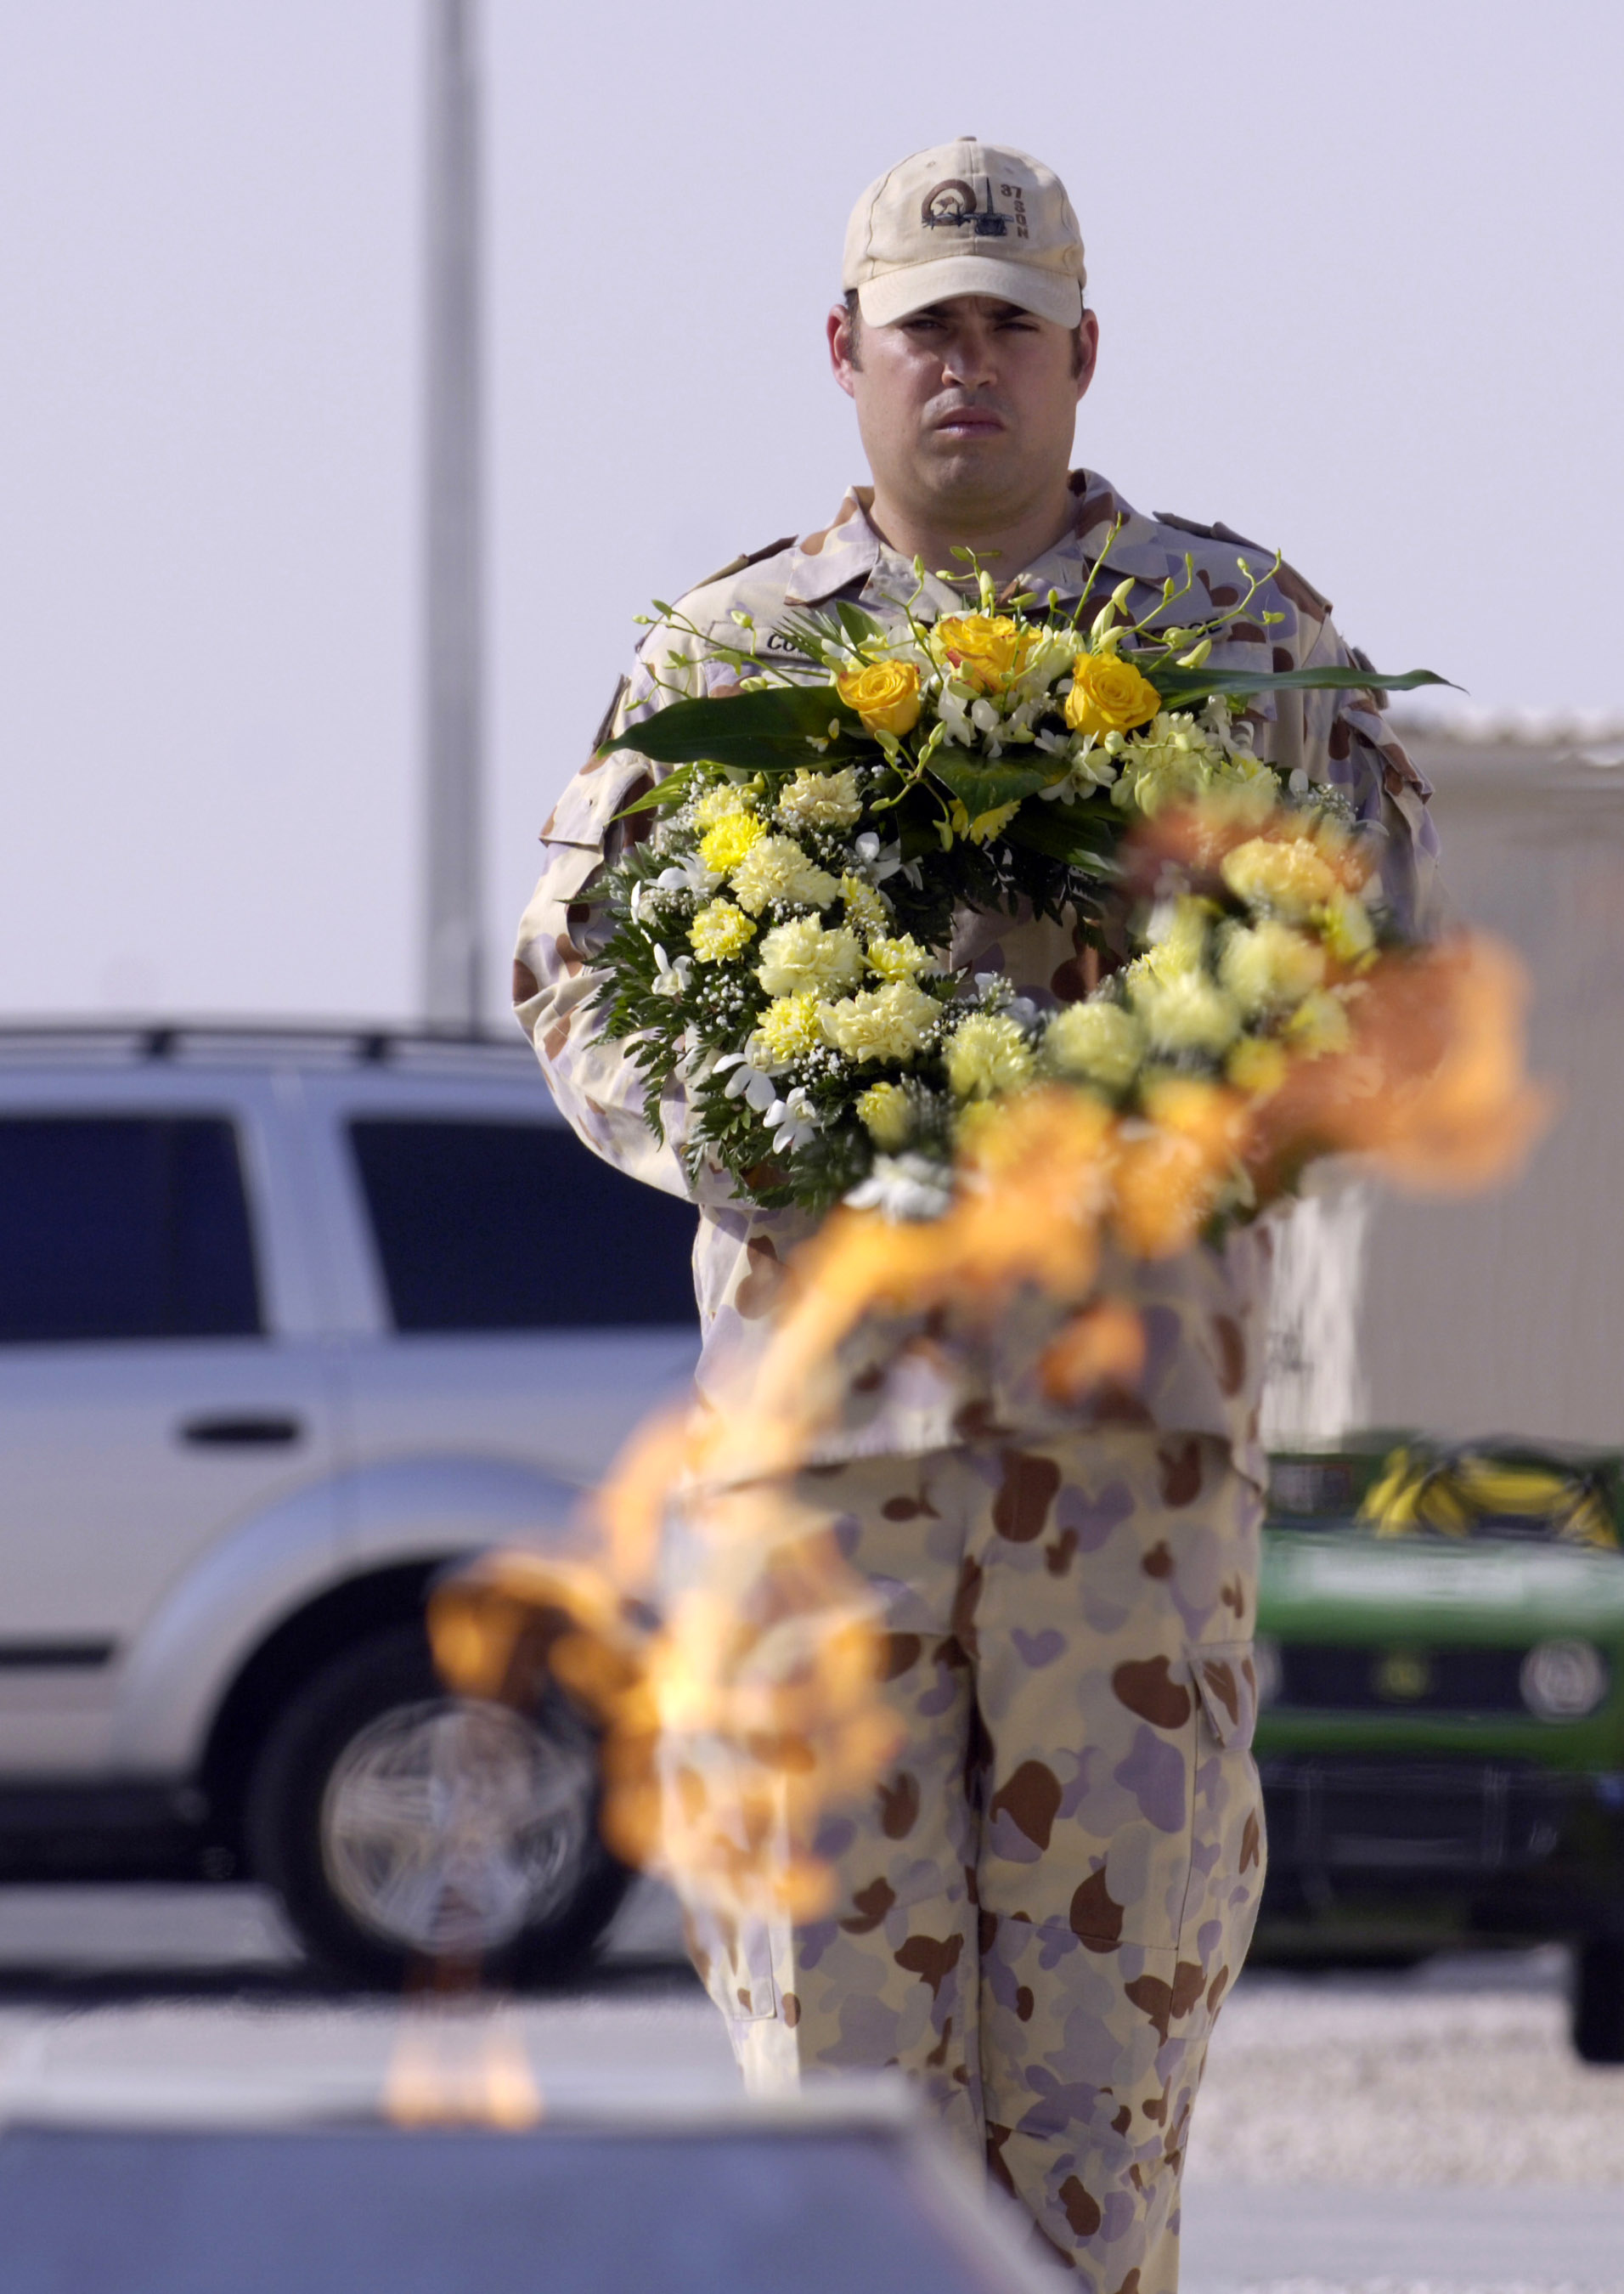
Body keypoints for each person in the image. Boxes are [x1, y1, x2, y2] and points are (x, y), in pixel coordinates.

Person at [514, 139, 1439, 2283]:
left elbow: (1380, 988)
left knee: (1097, 2094)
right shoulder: (725, 659)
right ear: (841, 352)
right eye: (925, 324)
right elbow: (574, 980)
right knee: (837, 2090)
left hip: (1121, 1476)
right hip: (825, 1477)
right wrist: (783, 1126)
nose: (967, 365)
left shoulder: (1235, 637)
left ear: (1081, 359)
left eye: (1009, 327)